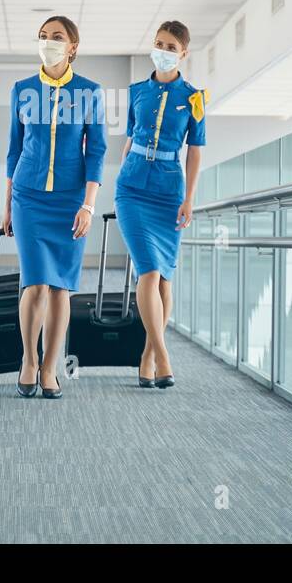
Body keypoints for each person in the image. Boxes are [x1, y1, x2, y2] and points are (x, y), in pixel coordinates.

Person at [3, 15, 107, 399]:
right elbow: (14, 149)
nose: (48, 42)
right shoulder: (22, 89)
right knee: (35, 282)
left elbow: (96, 152)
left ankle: (51, 367)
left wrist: (89, 205)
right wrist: (7, 206)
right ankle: (28, 360)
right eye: (44, 36)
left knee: (61, 286)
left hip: (70, 201)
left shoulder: (90, 92)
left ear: (73, 47)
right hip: (28, 197)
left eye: (57, 37)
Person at [114, 21, 207, 389]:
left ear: (183, 53)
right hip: (132, 190)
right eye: (158, 43)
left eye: (171, 45)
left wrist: (189, 199)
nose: (163, 50)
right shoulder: (137, 91)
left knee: (165, 279)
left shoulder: (194, 97)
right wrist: (120, 175)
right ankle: (164, 356)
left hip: (169, 192)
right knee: (149, 271)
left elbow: (195, 151)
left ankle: (148, 355)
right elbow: (129, 140)